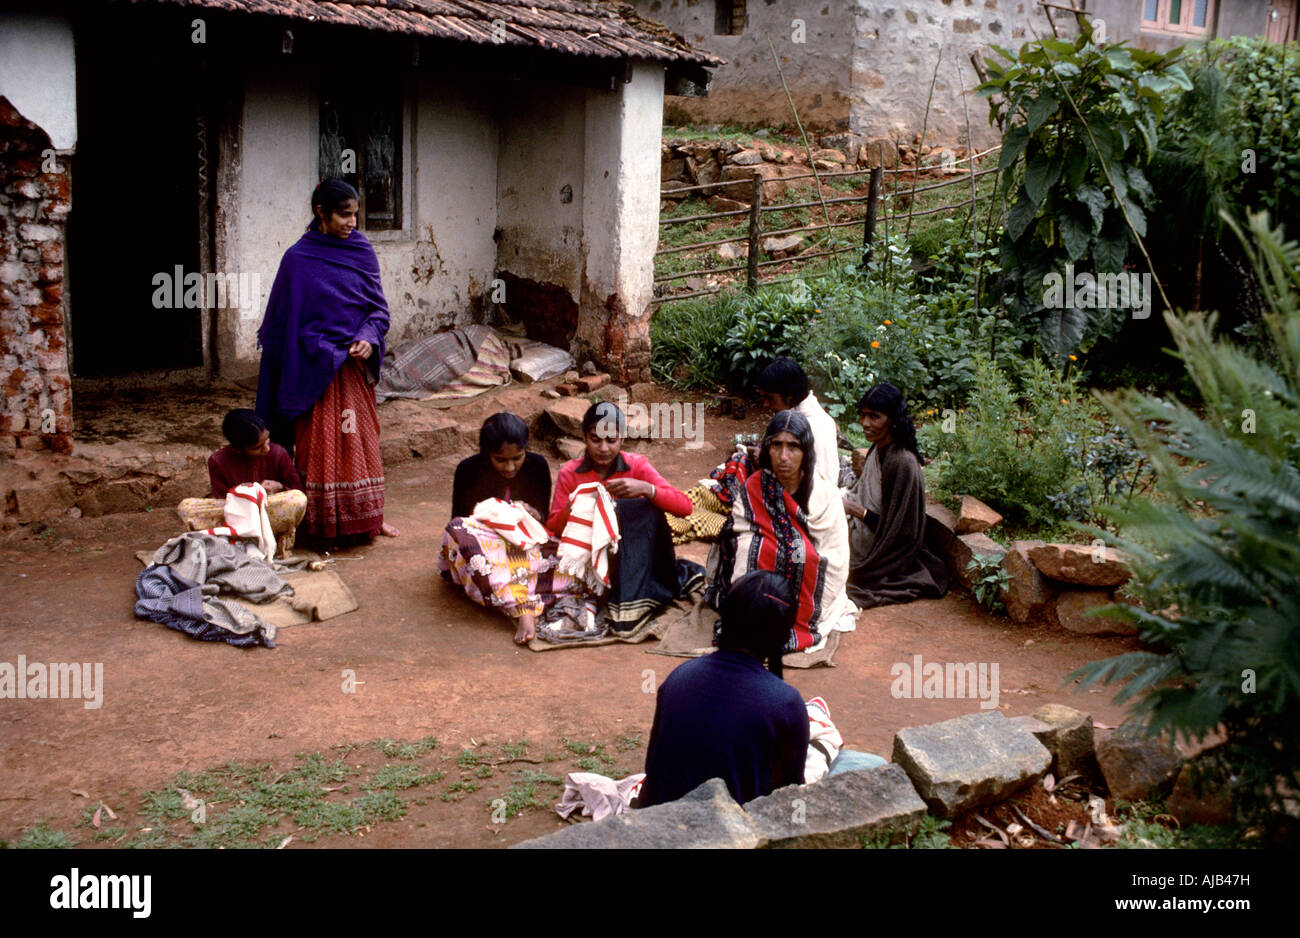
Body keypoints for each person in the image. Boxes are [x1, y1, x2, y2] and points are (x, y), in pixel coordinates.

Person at [255, 178, 397, 546]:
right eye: (343, 215)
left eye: (355, 215)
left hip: (351, 368)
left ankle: (367, 518)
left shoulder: (362, 251)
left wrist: (368, 336)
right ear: (321, 212)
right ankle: (320, 524)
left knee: (360, 441)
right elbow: (285, 322)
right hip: (313, 367)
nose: (352, 223)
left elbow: (378, 311)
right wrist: (318, 347)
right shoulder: (298, 259)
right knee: (319, 445)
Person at [638, 570, 809, 808]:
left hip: (661, 826)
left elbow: (653, 772)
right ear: (783, 635)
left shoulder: (678, 678)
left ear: (725, 618)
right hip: (732, 836)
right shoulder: (786, 704)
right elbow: (789, 793)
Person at [705, 409, 855, 652]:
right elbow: (740, 526)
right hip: (765, 561)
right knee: (752, 548)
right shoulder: (756, 485)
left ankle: (792, 623)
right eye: (776, 445)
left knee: (800, 555)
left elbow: (834, 556)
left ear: (806, 451)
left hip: (807, 569)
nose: (784, 456)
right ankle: (749, 620)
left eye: (793, 447)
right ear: (767, 448)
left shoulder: (825, 497)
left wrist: (790, 546)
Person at [546, 401, 694, 630]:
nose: (603, 448)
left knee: (647, 509)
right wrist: (577, 504)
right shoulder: (570, 473)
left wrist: (646, 489)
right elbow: (554, 527)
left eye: (611, 440)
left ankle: (634, 596)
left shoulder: (637, 466)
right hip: (589, 560)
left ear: (622, 439)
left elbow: (685, 507)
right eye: (595, 439)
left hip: (634, 554)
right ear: (584, 437)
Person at [440, 413, 575, 645]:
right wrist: (493, 516)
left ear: (526, 450)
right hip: (485, 549)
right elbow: (461, 524)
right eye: (500, 460)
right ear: (486, 453)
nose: (510, 466)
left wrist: (531, 513)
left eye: (517, 458)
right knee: (456, 531)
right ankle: (522, 606)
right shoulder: (467, 470)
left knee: (571, 562)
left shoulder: (538, 466)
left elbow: (543, 521)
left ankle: (507, 592)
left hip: (524, 548)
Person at [843, 383, 949, 608]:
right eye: (862, 416)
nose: (865, 423)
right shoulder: (879, 447)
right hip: (858, 526)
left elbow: (900, 533)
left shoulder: (901, 462)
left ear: (892, 419)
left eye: (874, 417)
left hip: (875, 546)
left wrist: (854, 509)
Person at [177, 409, 308, 557]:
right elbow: (223, 501)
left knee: (297, 499)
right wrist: (250, 493)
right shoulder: (218, 461)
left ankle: (257, 538)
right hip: (237, 515)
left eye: (267, 440)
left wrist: (279, 488)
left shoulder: (279, 453)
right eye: (257, 447)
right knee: (186, 508)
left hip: (269, 510)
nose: (267, 448)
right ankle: (243, 538)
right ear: (237, 449)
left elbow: (298, 490)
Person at [755, 356, 842, 490]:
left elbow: (818, 486)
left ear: (789, 397)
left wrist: (763, 460)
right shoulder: (801, 417)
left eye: (770, 398)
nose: (765, 404)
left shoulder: (812, 427)